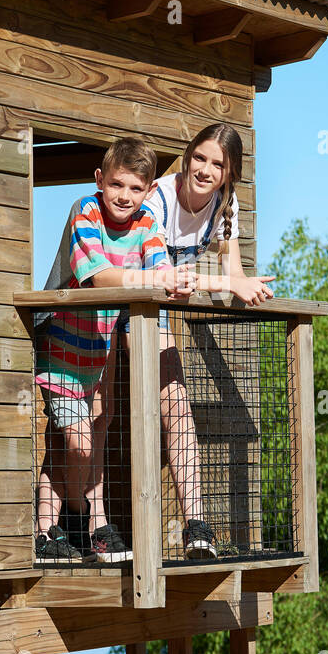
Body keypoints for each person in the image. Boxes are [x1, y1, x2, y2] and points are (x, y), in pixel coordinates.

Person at [32, 137, 193, 563]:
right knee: (78, 442)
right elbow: (99, 278)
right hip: (62, 351)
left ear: (148, 190)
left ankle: (77, 529)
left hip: (99, 351)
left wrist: (170, 278)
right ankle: (66, 522)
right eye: (117, 185)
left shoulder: (145, 224)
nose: (125, 197)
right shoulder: (85, 211)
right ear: (100, 180)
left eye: (136, 189)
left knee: (94, 434)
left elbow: (160, 267)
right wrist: (158, 281)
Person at [119, 122, 276, 560]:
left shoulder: (226, 205)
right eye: (200, 157)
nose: (205, 169)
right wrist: (220, 285)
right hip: (124, 303)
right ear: (188, 157)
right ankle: (95, 528)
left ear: (229, 173)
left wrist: (247, 285)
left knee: (175, 405)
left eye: (217, 164)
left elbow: (233, 274)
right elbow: (160, 276)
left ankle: (195, 526)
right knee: (105, 414)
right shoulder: (158, 199)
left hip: (157, 311)